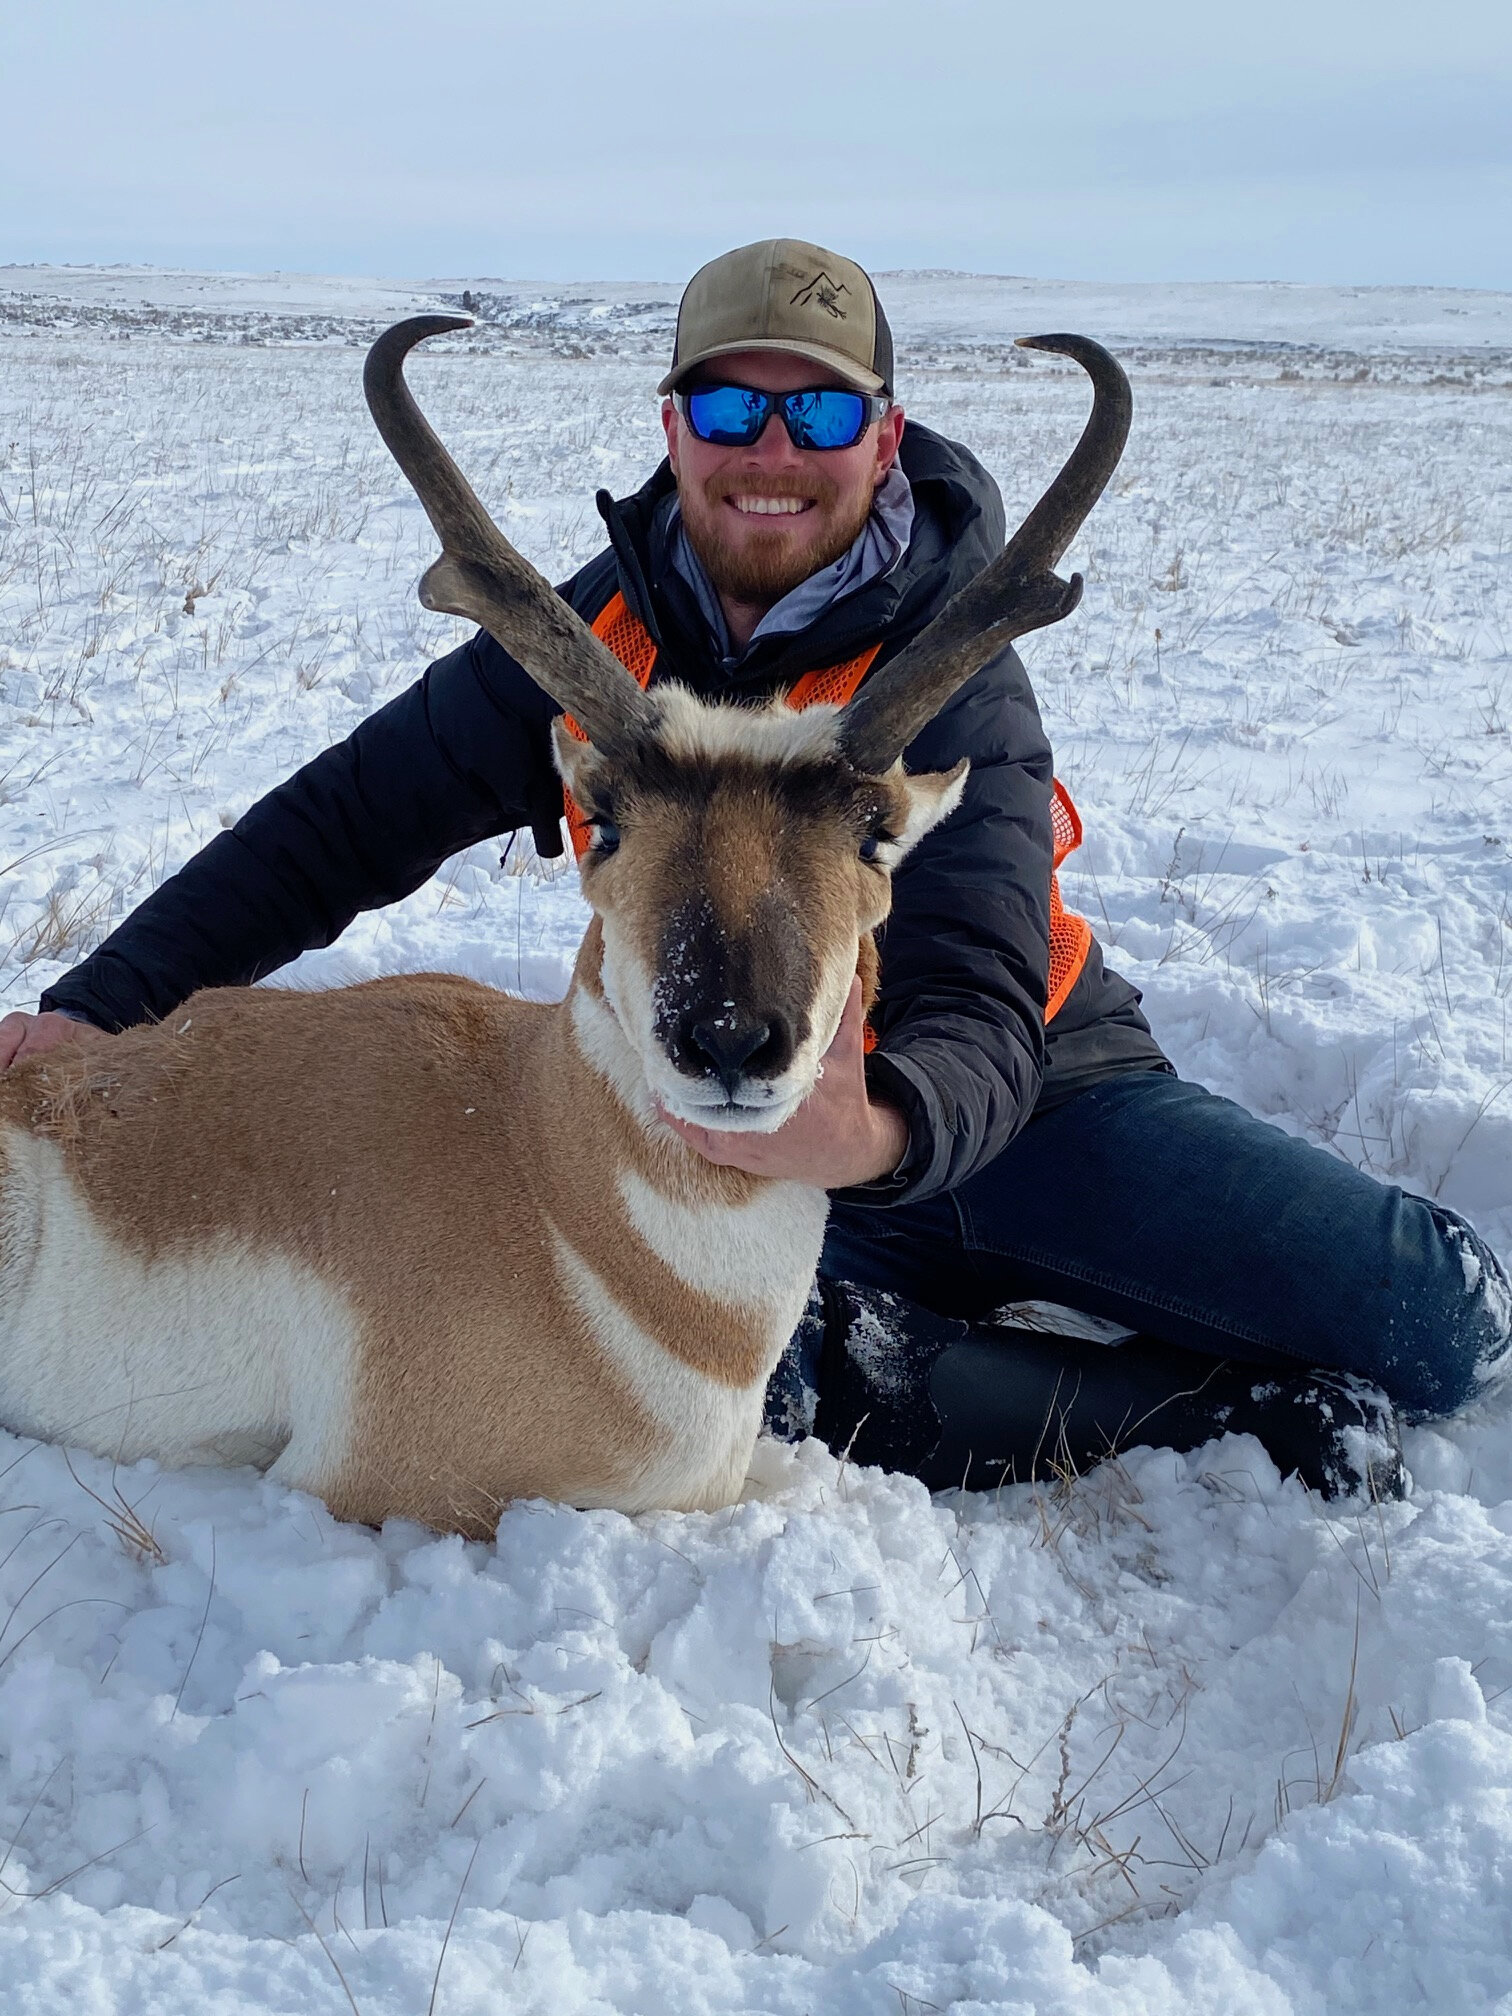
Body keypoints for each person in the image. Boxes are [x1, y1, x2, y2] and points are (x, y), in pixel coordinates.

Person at [4, 239, 1507, 1499]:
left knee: (1423, 1323)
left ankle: (923, 1308)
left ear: (885, 436)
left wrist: (883, 1128)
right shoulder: (591, 648)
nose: (770, 452)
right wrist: (100, 1005)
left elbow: (982, 977)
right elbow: (334, 828)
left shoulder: (951, 673)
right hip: (728, 1105)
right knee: (676, 1392)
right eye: (729, 406)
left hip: (1028, 1096)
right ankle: (1123, 1407)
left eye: (820, 416)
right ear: (673, 428)